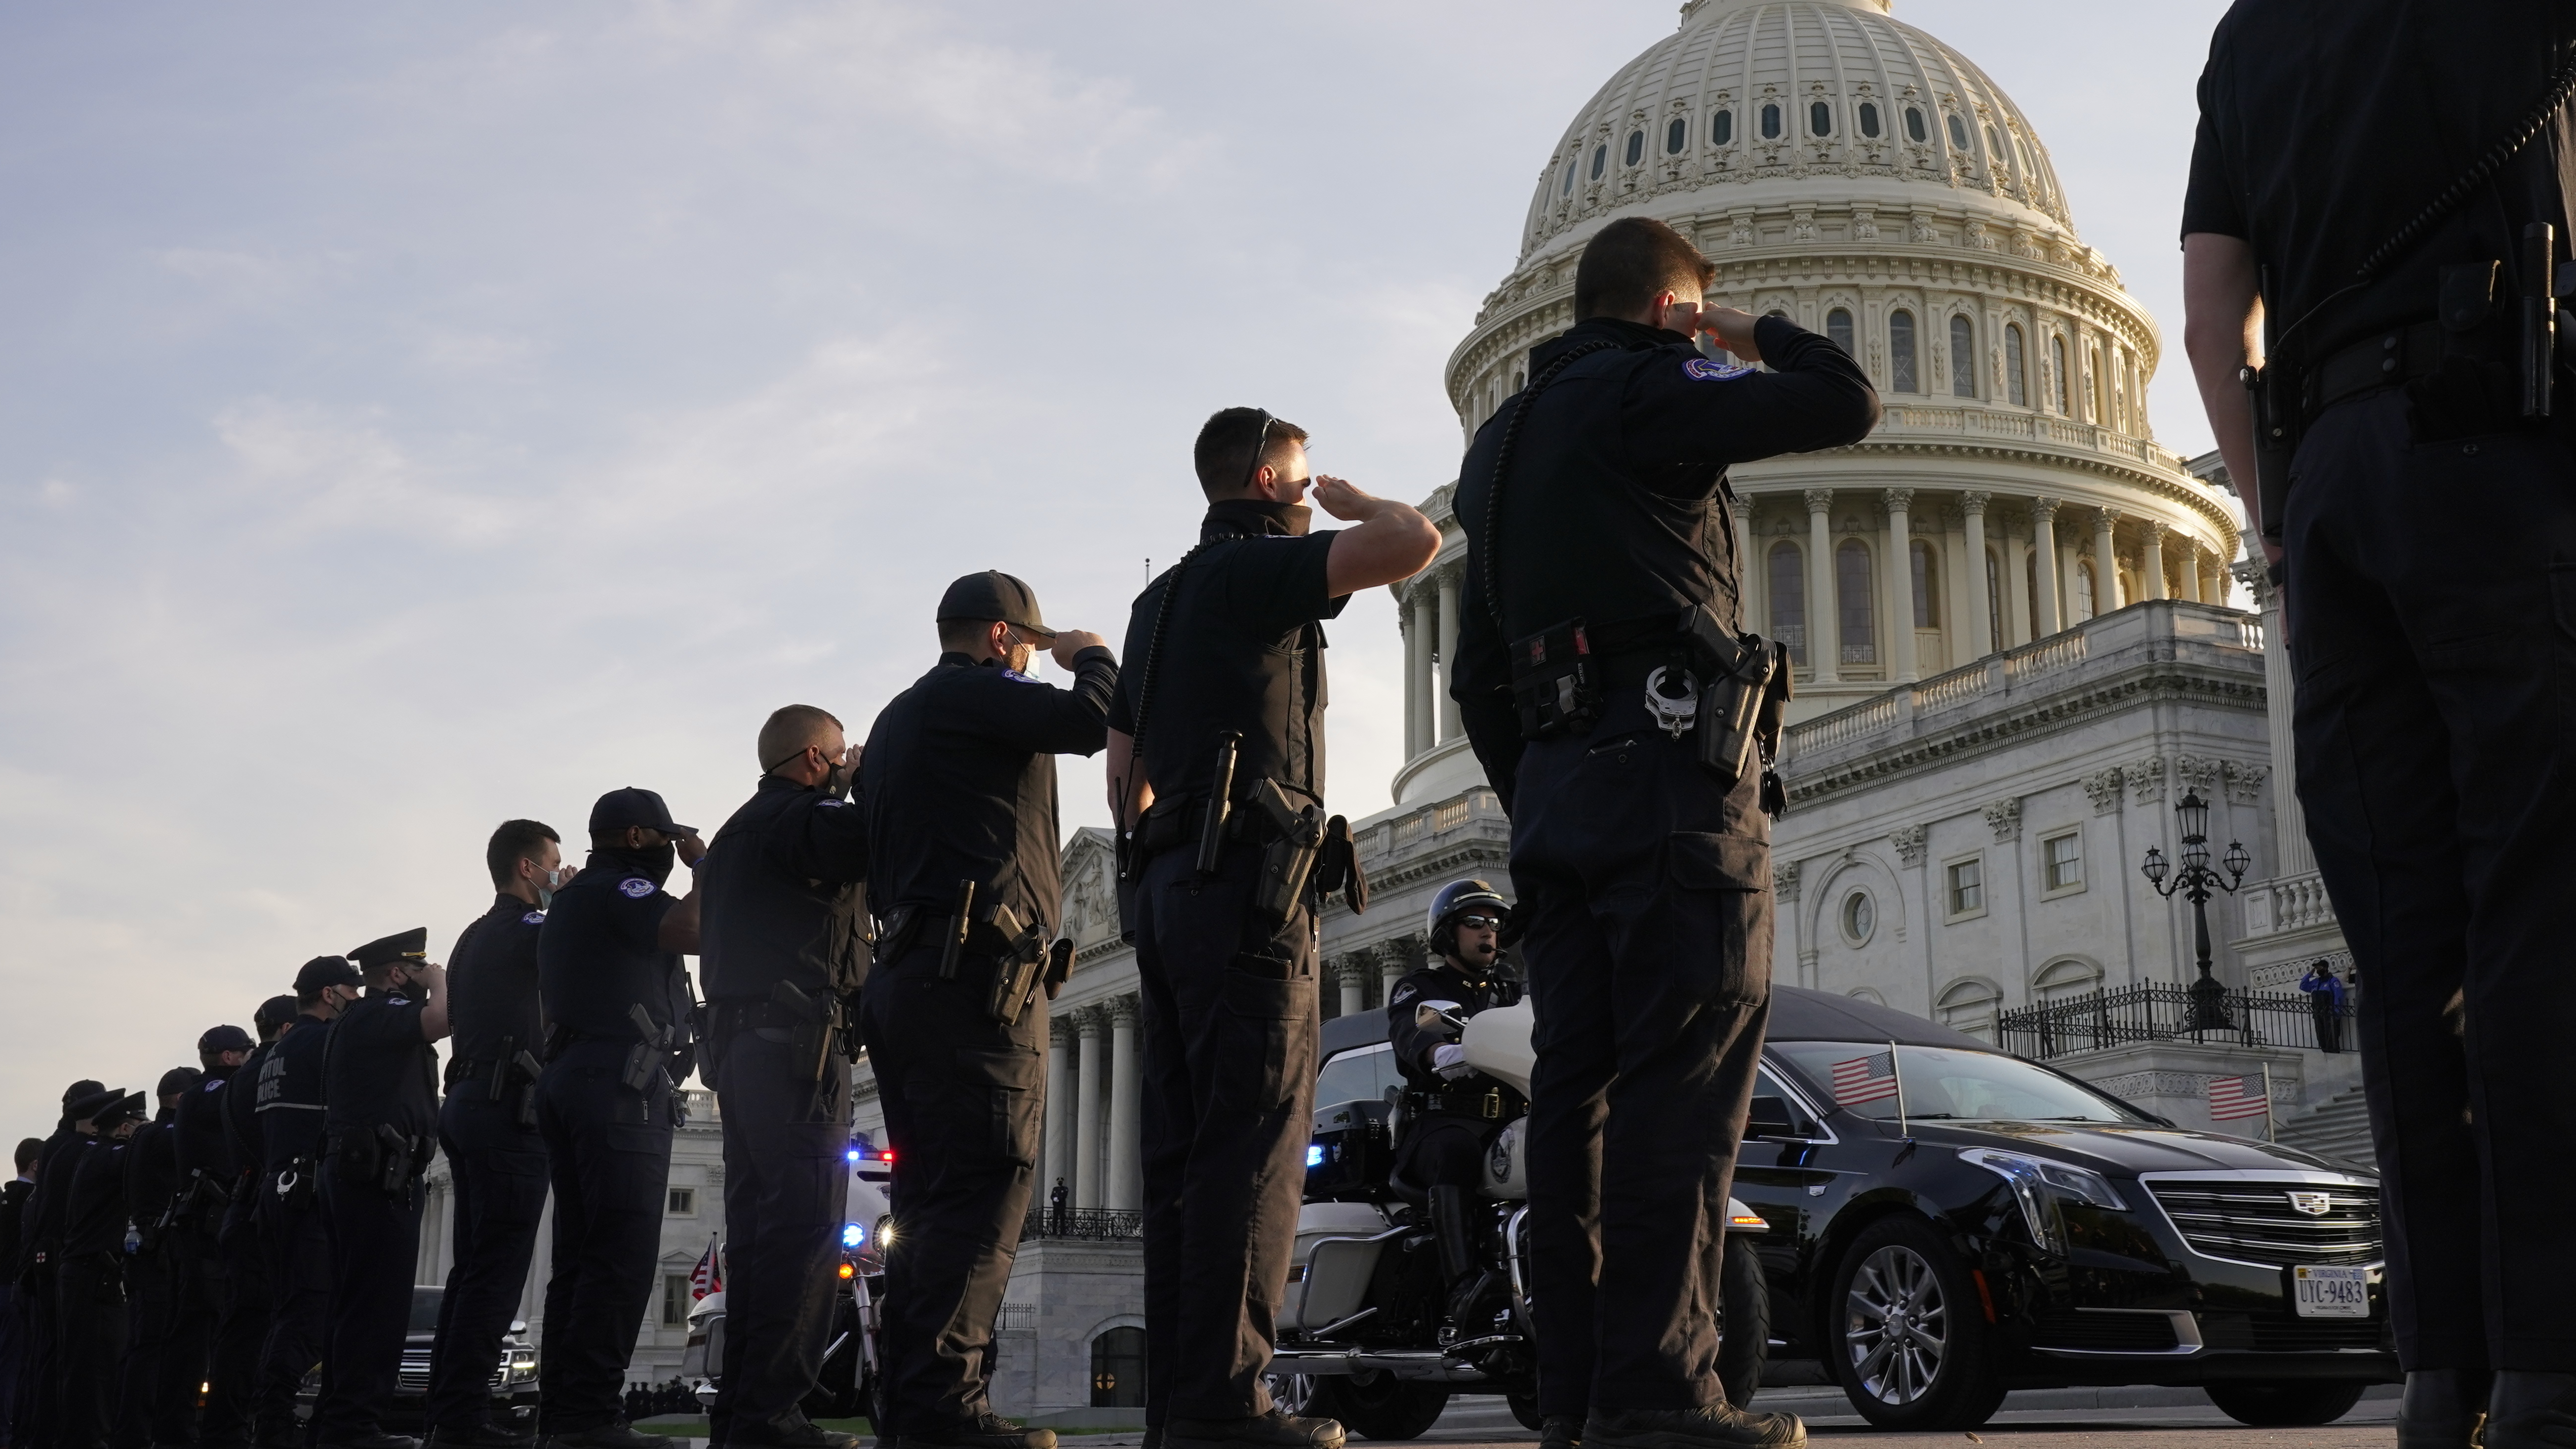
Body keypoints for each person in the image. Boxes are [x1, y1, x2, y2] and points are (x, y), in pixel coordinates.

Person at [2179, 11, 2576, 1449]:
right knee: (2532, 920)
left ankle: (2433, 1376)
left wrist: (2276, 526)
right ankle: (2547, 1363)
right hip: (2497, 440)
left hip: (2326, 494)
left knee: (2402, 958)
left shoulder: (2249, 31)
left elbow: (2209, 318)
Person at [1451, 215, 1878, 1449]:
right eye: (1694, 308)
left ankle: (1582, 1397)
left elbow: (1480, 667)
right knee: (1682, 1089)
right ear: (1666, 309)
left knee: (1575, 1101)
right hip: (1670, 786)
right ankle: (1664, 1391)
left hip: (1558, 799)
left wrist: (1537, 789)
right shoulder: (1656, 386)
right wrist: (1738, 333)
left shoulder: (1500, 446)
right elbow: (1843, 398)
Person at [1106, 408, 1438, 1449]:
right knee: (1253, 1148)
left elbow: (1122, 776)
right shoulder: (1255, 567)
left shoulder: (1154, 604)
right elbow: (1413, 546)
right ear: (1263, 483)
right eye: (1298, 482)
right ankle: (1229, 1405)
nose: (1309, 496)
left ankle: (1181, 1410)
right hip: (1244, 886)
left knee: (1182, 1156)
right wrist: (1356, 507)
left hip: (1163, 892)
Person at [860, 572, 1118, 1449]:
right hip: (975, 982)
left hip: (909, 977)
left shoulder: (896, 720)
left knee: (929, 1204)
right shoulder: (977, 696)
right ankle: (945, 1408)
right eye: (1030, 647)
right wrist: (1088, 656)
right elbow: (1092, 721)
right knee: (983, 1188)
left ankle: (911, 1405)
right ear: (1005, 637)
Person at [697, 706, 871, 1449]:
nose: (843, 761)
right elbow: (880, 842)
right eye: (837, 754)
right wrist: (864, 786)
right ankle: (772, 1415)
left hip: (740, 1053)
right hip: (798, 1047)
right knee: (804, 1232)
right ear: (811, 758)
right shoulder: (810, 817)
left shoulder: (736, 831)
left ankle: (741, 1410)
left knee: (757, 1234)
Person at [534, 788, 703, 1449]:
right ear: (638, 837)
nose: (670, 846)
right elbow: (692, 930)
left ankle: (566, 1414)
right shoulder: (621, 888)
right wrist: (704, 865)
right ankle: (591, 1416)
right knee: (621, 1255)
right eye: (665, 836)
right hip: (618, 1084)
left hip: (576, 1076)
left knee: (578, 1258)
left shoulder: (573, 899)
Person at [428, 821, 567, 1449]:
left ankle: (448, 1412)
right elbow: (574, 948)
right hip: (507, 1107)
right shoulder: (531, 927)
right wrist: (568, 901)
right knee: (499, 1271)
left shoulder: (472, 936)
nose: (558, 874)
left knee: (472, 1270)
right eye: (553, 865)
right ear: (527, 868)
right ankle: (461, 1420)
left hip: (467, 1102)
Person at [310, 929, 449, 1449]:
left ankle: (340, 1423)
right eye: (419, 968)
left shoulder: (365, 1019)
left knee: (357, 1304)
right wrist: (441, 982)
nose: (426, 975)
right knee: (378, 1306)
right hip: (376, 1178)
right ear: (397, 974)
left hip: (367, 1173)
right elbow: (443, 1020)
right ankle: (354, 1427)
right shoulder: (380, 1012)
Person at [1383, 881, 1522, 1327]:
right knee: (1456, 1153)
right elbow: (1411, 1030)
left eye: (1495, 923)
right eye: (1475, 922)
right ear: (1447, 933)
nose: (1489, 931)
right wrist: (1440, 1052)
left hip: (1508, 1123)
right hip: (1442, 1122)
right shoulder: (1420, 986)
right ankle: (1463, 1287)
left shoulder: (1512, 992)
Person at [253, 959, 362, 1448]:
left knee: (289, 1312)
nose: (356, 998)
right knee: (309, 1316)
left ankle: (271, 1417)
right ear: (328, 994)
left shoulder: (280, 1051)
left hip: (278, 1190)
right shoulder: (323, 1042)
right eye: (351, 990)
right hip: (306, 1194)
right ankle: (277, 1422)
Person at [202, 1001, 296, 1449]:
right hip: (261, 1208)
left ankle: (230, 1426)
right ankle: (243, 1427)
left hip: (244, 1208)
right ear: (288, 1028)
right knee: (254, 1331)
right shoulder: (268, 1072)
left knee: (244, 1329)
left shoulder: (245, 1076)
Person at [110, 1066, 202, 1449]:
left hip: (144, 1250)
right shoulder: (173, 1136)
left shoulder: (144, 1136)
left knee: (143, 1345)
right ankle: (142, 1430)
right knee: (155, 1347)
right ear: (184, 1101)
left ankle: (133, 1429)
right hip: (163, 1253)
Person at [172, 1027, 256, 1449]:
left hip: (199, 1223)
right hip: (212, 1225)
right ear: (228, 1057)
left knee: (194, 1333)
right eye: (246, 1054)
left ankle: (181, 1428)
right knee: (213, 1332)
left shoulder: (195, 1096)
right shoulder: (223, 1093)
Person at [19, 1079, 108, 1449]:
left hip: (46, 1259)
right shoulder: (80, 1150)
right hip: (65, 1259)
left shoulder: (57, 1146)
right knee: (70, 1357)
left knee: (49, 1355)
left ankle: (41, 1433)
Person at [61, 1089, 148, 1449]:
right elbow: (143, 1158)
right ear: (125, 1127)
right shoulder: (110, 1156)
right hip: (95, 1276)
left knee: (88, 1371)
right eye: (141, 1126)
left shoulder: (94, 1155)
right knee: (97, 1372)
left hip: (88, 1274)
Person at [0, 1137, 39, 1448]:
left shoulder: (6, 1199)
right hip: (15, 1293)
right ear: (37, 1165)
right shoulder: (34, 1201)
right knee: (16, 1366)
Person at [2298, 962, 2349, 1055]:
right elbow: (2303, 986)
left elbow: (2339, 996)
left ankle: (2334, 1052)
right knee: (2321, 1036)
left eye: (2319, 968)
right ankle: (2325, 1051)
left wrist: (2336, 1013)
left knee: (2332, 1036)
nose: (2318, 970)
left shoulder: (2333, 981)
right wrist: (2310, 974)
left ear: (2325, 968)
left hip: (2330, 1013)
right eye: (2316, 968)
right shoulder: (2316, 982)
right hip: (2318, 1013)